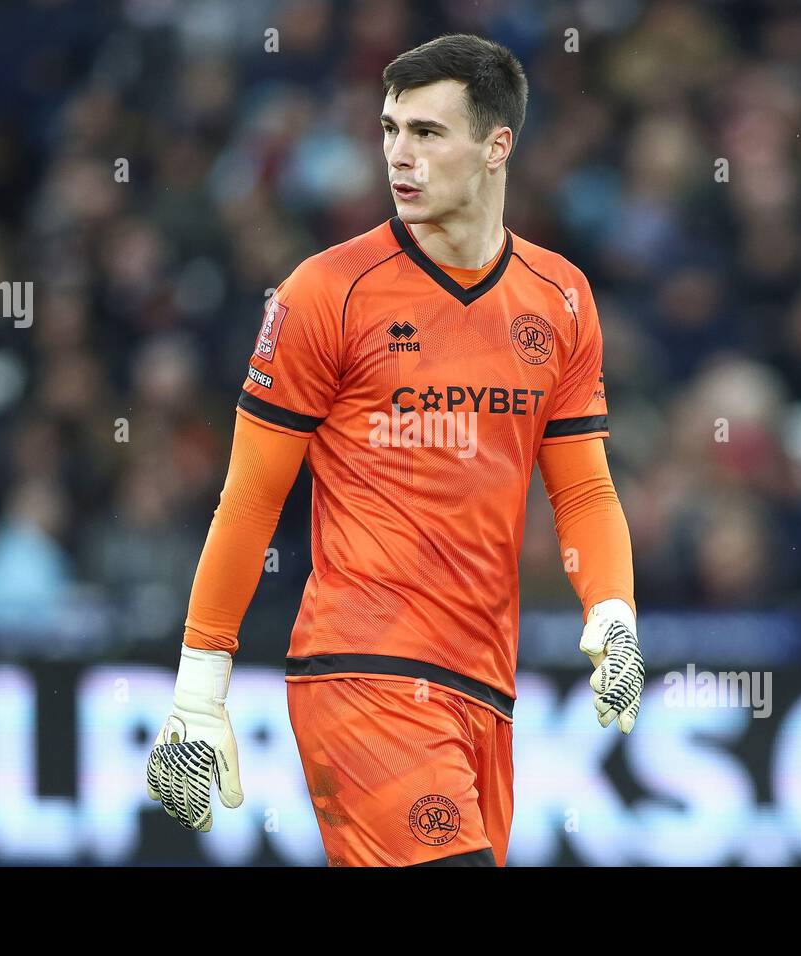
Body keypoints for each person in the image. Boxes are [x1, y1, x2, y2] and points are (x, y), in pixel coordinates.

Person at [145, 33, 644, 866]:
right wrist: (200, 690)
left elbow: (583, 490)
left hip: (485, 687)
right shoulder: (325, 292)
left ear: (497, 147)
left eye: (426, 133)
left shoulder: (560, 298)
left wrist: (615, 612)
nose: (398, 156)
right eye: (388, 130)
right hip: (361, 672)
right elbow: (251, 499)